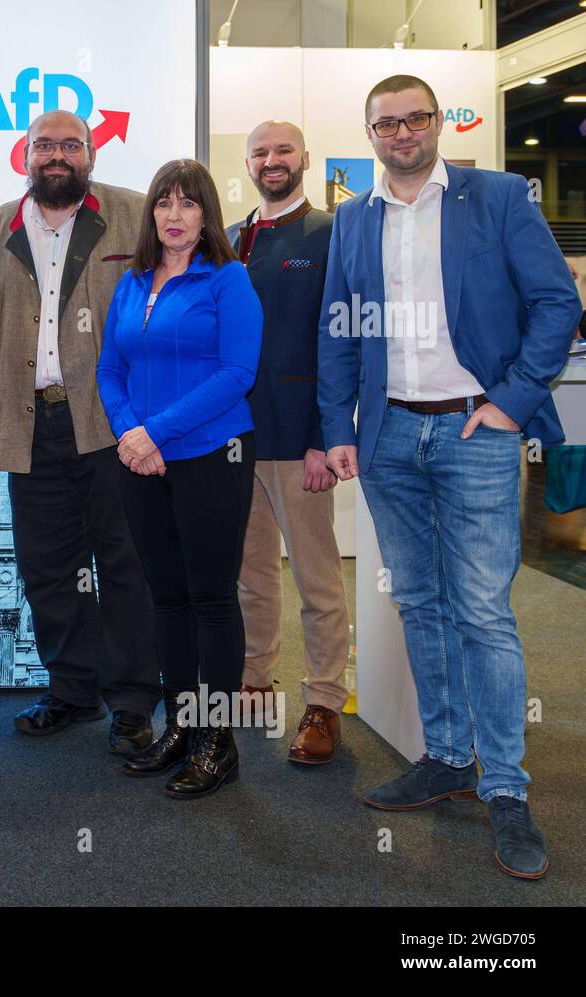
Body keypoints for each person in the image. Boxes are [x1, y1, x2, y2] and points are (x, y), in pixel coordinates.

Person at [319, 75, 580, 879]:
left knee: (483, 612)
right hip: (390, 431)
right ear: (368, 134)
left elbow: (556, 302)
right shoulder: (355, 218)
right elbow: (336, 327)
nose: (400, 133)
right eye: (385, 123)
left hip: (477, 430)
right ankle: (447, 755)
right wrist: (339, 430)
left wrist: (509, 403)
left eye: (413, 119)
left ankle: (505, 786)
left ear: (436, 123)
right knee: (420, 600)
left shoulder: (496, 197)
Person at [0, 109, 160, 752]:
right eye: (43, 145)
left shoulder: (136, 216)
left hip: (114, 421)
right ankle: (72, 689)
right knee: (50, 566)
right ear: (25, 155)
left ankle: (132, 699)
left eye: (70, 145)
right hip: (28, 420)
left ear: (90, 153)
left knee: (125, 561)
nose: (56, 156)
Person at [97, 158, 262, 797]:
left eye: (188, 204)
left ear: (206, 214)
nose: (174, 216)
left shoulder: (229, 281)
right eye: (164, 204)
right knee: (165, 598)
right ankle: (182, 726)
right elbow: (110, 368)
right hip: (142, 459)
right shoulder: (134, 283)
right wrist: (130, 434)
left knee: (211, 598)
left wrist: (153, 433)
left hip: (210, 454)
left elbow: (236, 373)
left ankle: (218, 742)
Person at [227, 121, 351, 764]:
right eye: (260, 152)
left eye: (283, 151)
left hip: (299, 439)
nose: (271, 161)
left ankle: (325, 702)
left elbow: (340, 341)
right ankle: (253, 681)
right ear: (247, 162)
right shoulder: (229, 238)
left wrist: (324, 439)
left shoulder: (332, 232)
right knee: (250, 576)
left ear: (304, 158)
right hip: (233, 440)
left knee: (318, 580)